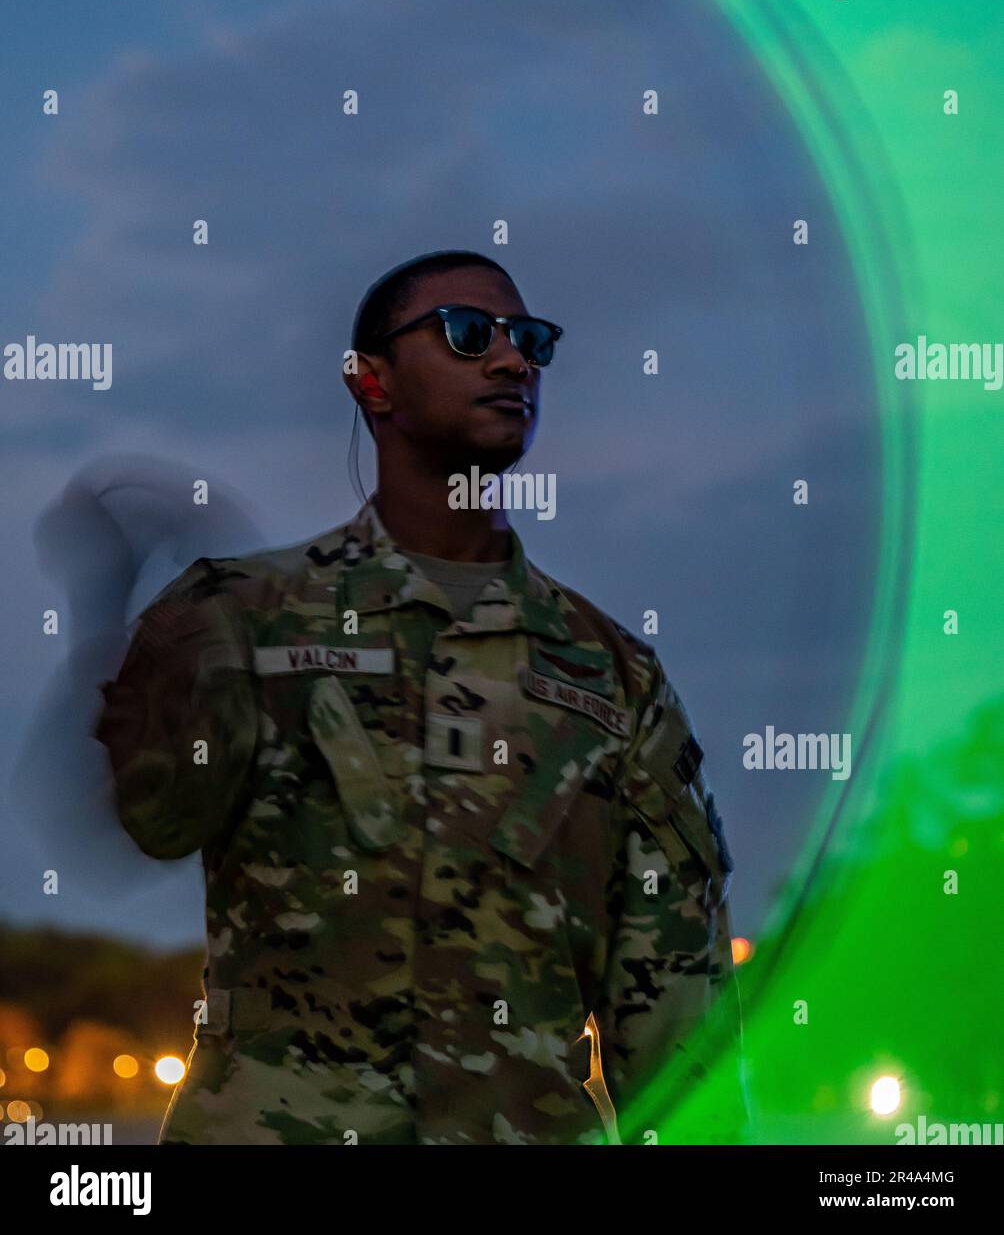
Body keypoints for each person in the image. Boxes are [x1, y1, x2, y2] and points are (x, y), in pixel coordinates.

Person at [94, 249, 747, 1146]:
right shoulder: (246, 619)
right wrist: (149, 649)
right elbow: (154, 819)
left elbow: (678, 1021)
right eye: (470, 336)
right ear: (373, 384)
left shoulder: (613, 674)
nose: (513, 362)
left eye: (531, 342)